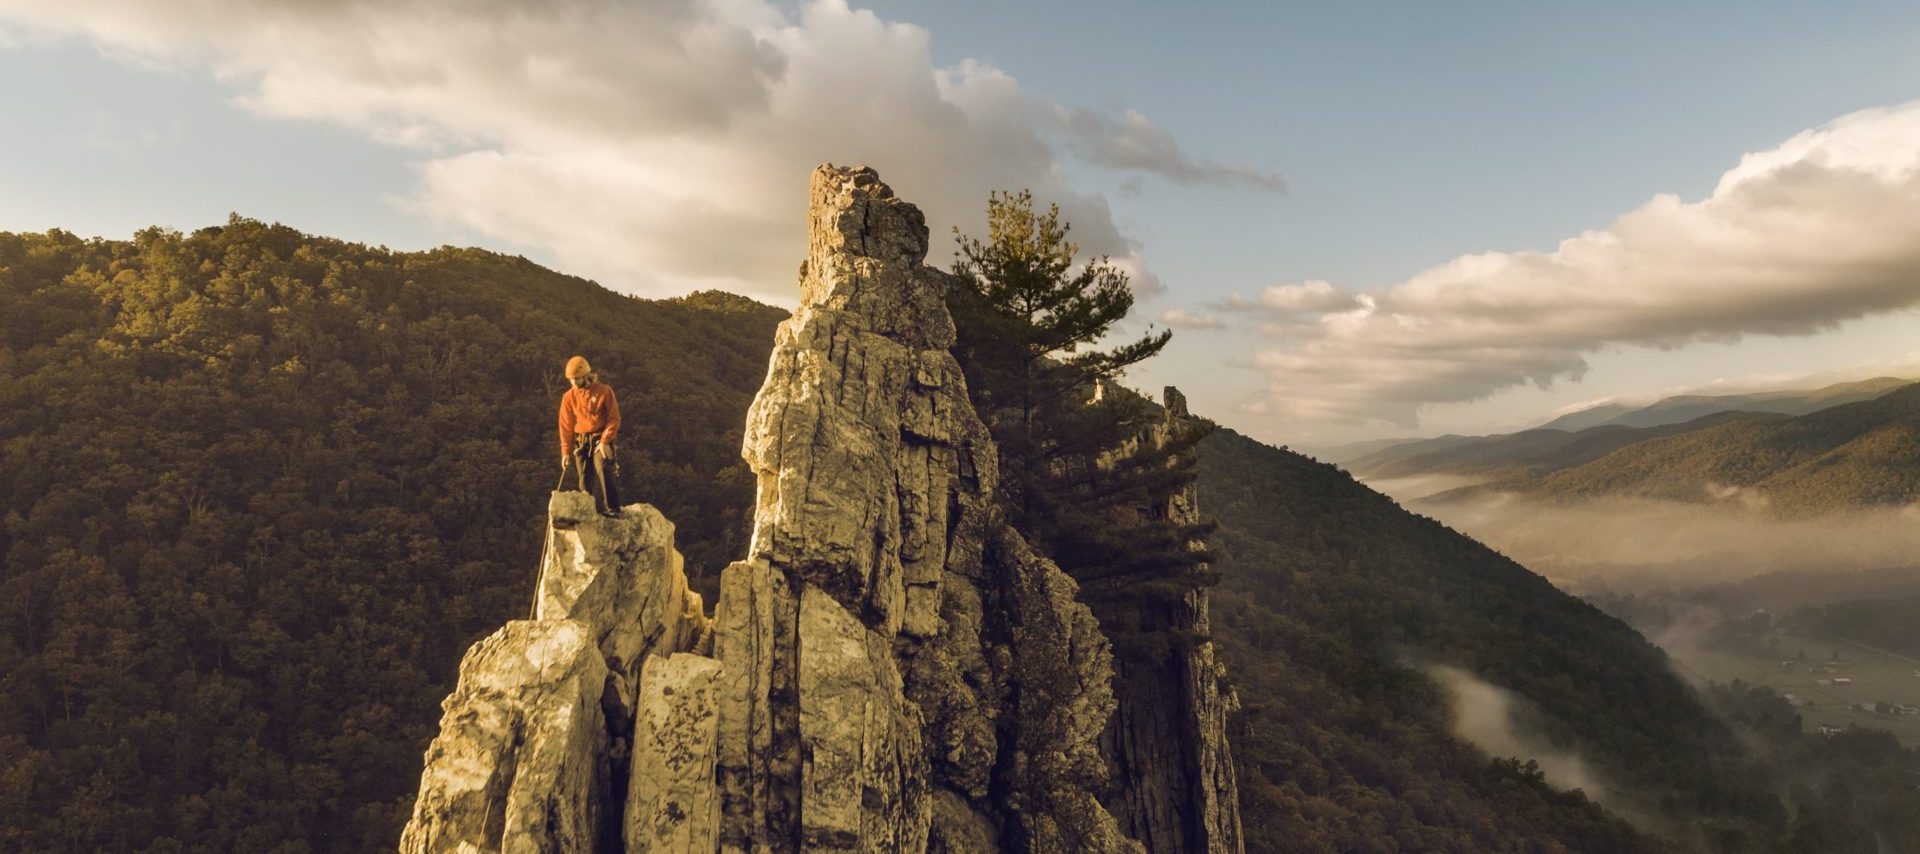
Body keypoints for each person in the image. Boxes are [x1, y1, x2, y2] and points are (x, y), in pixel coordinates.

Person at [557, 355, 625, 517]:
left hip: (599, 437)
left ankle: (613, 509)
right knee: (584, 479)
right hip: (582, 441)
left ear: (586, 376)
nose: (573, 382)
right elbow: (565, 426)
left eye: (576, 379)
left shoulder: (603, 391)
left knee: (604, 469)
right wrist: (565, 452)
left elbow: (614, 418)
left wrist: (605, 441)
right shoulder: (569, 397)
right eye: (571, 380)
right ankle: (587, 513)